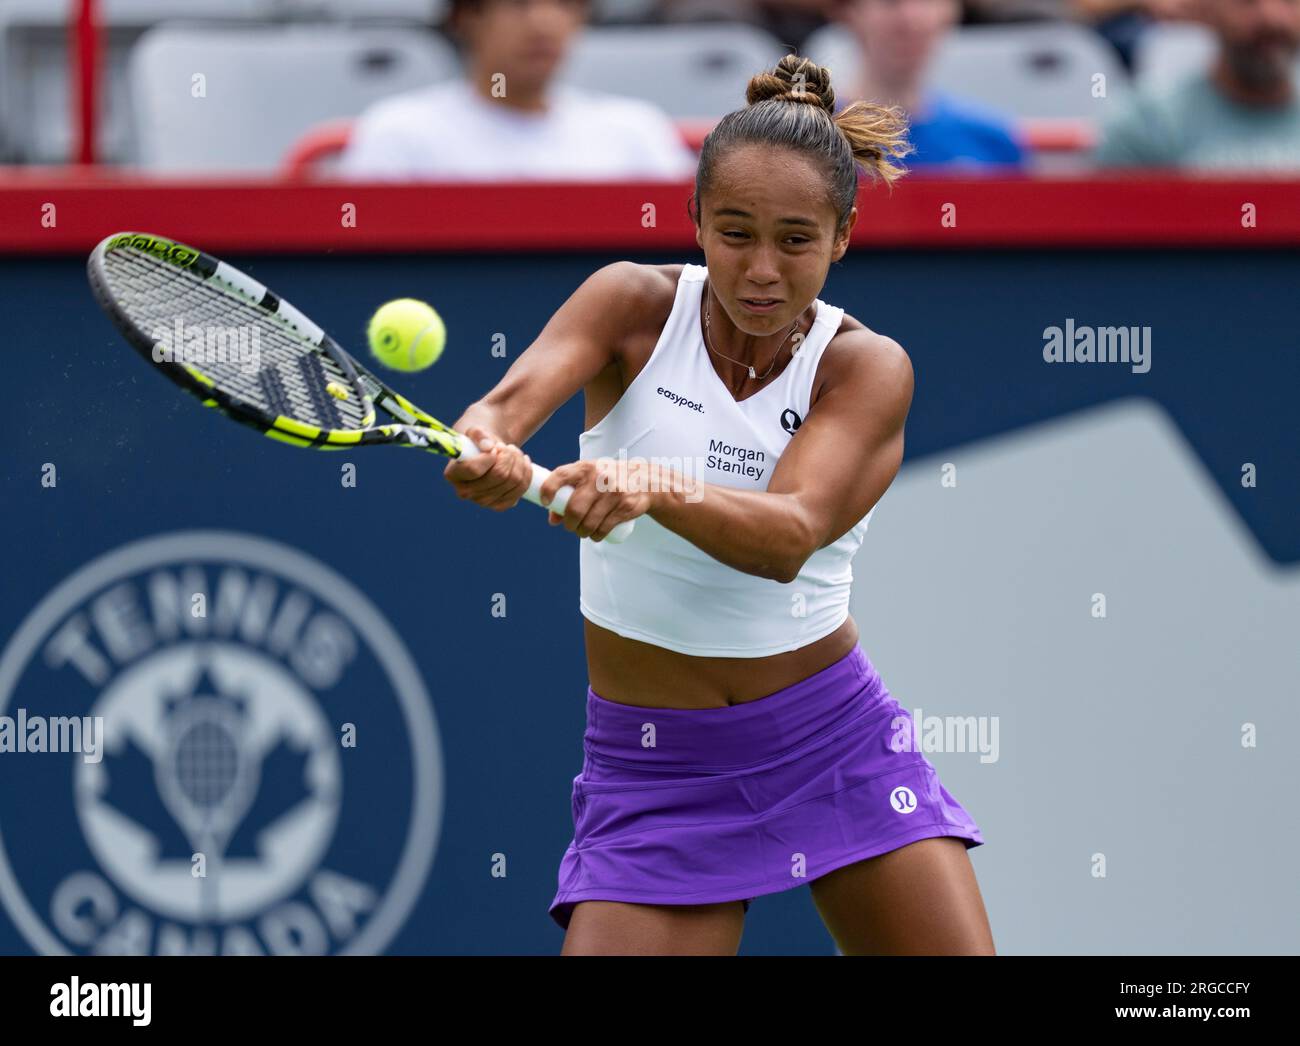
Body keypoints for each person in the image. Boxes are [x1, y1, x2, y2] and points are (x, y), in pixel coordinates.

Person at [443, 54, 996, 955]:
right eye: (735, 233)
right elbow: (501, 411)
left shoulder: (866, 368)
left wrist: (651, 486)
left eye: (796, 238)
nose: (762, 270)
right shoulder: (628, 303)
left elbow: (789, 536)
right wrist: (484, 450)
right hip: (656, 764)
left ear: (842, 238)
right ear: (695, 220)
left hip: (832, 740)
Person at [338, 0, 697, 181]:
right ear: (466, 18)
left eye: (563, 2)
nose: (543, 21)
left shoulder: (636, 131)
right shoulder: (398, 133)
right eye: (518, 3)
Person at [1094, 0, 1300, 169]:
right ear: (1209, 11)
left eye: (1289, 1)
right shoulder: (1145, 124)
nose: (1272, 18)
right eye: (1247, 2)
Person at [830, 0, 1027, 168]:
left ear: (951, 11)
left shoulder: (992, 142)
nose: (911, 19)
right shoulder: (817, 139)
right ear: (849, 13)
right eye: (890, 2)